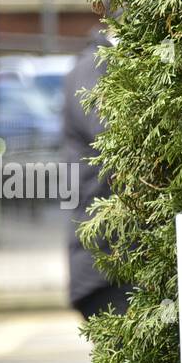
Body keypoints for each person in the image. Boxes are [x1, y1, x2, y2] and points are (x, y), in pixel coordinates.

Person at [62, 28, 132, 321]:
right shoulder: (94, 68)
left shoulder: (104, 64)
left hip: (116, 260)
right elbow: (117, 137)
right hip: (106, 268)